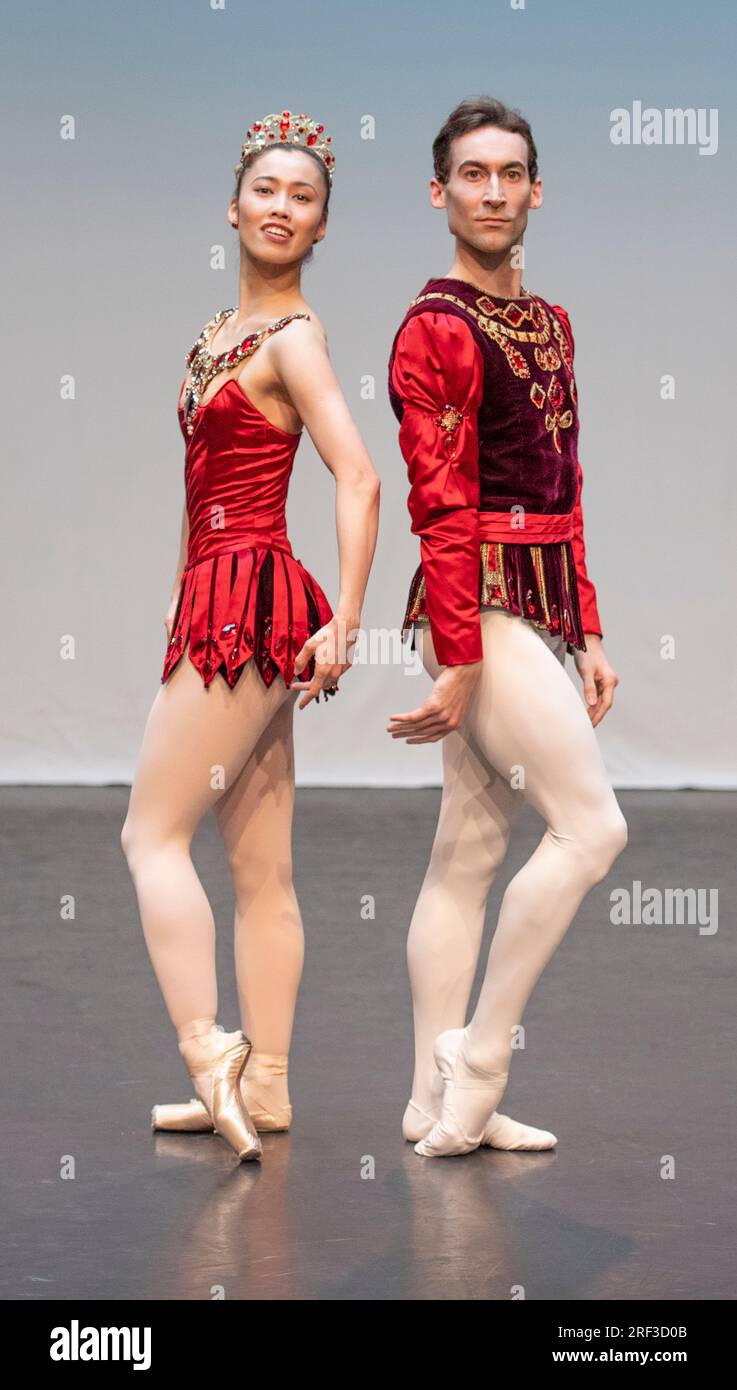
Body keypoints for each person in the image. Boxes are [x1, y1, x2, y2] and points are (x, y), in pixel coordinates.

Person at [121, 111, 380, 1162]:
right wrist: (182, 603)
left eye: (302, 197)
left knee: (149, 835)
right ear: (233, 208)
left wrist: (350, 621)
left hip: (251, 599)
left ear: (320, 228)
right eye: (265, 190)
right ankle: (264, 1084)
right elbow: (197, 497)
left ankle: (208, 1052)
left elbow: (358, 474)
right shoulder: (211, 340)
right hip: (222, 596)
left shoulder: (294, 339)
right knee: (260, 870)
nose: (281, 207)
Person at [387, 96, 627, 1158]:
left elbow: (565, 484)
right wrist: (456, 653)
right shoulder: (435, 328)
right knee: (591, 828)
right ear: (440, 193)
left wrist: (588, 627)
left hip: (534, 597)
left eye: (510, 173)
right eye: (472, 175)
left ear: (536, 190)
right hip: (471, 598)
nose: (493, 192)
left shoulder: (550, 323)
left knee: (468, 852)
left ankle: (422, 1102)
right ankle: (478, 1059)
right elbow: (437, 503)